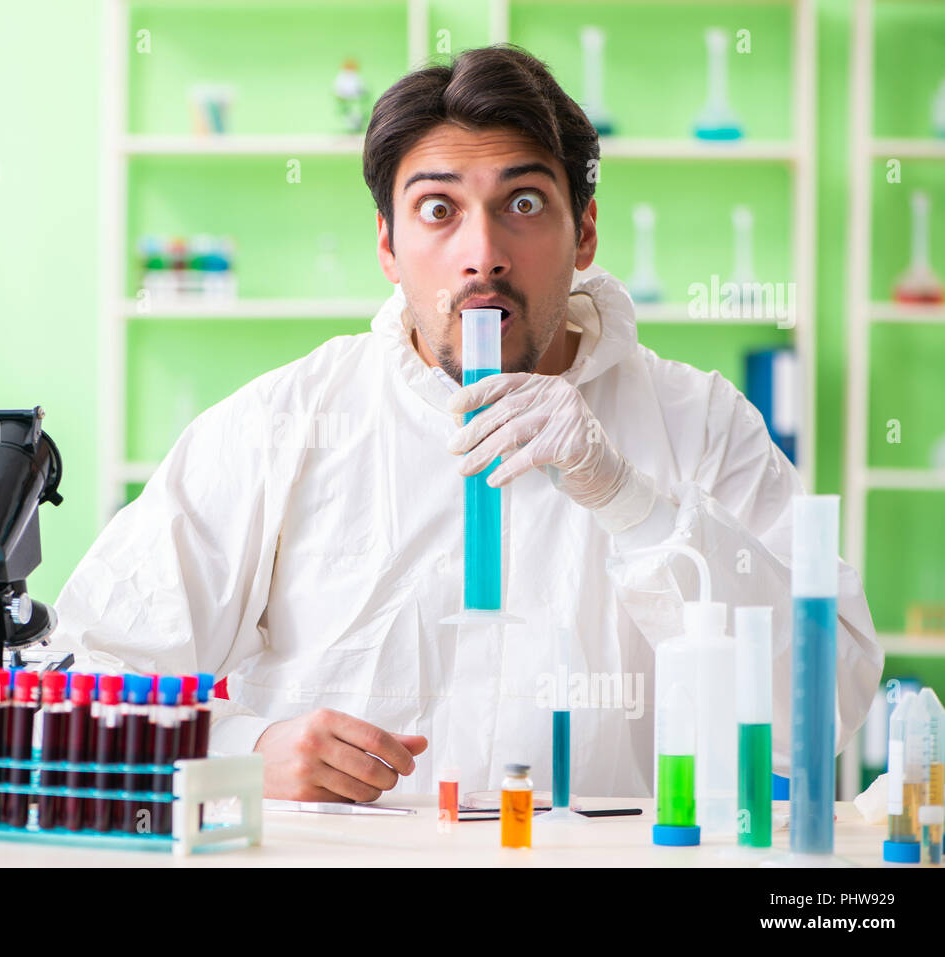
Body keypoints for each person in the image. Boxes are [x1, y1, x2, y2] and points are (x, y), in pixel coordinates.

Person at [51, 45, 882, 802]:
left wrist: (633, 504)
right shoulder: (287, 422)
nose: (482, 252)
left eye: (522, 201)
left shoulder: (697, 422)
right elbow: (78, 679)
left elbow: (828, 704)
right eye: (438, 210)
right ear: (386, 244)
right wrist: (240, 749)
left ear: (584, 230)